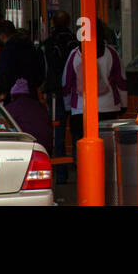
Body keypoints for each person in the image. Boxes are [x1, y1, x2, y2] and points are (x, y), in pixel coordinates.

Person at [62, 22, 128, 145]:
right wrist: (124, 104)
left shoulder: (75, 54)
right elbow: (121, 81)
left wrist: (68, 107)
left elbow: (66, 83)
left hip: (81, 109)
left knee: (82, 146)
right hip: (109, 107)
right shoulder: (111, 53)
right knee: (107, 146)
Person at [41, 12, 79, 164]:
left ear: (53, 23)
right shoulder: (76, 43)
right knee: (78, 131)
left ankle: (60, 169)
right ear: (69, 22)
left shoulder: (48, 44)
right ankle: (79, 164)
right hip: (75, 91)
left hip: (55, 91)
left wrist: (45, 88)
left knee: (58, 130)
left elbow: (44, 69)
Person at [0, 21, 44, 99]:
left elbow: (4, 72)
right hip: (30, 89)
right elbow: (39, 68)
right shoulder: (30, 46)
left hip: (13, 91)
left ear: (2, 35)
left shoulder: (7, 49)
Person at [5, 77, 54, 150]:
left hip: (25, 147)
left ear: (13, 95)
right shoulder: (40, 106)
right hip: (45, 147)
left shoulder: (10, 108)